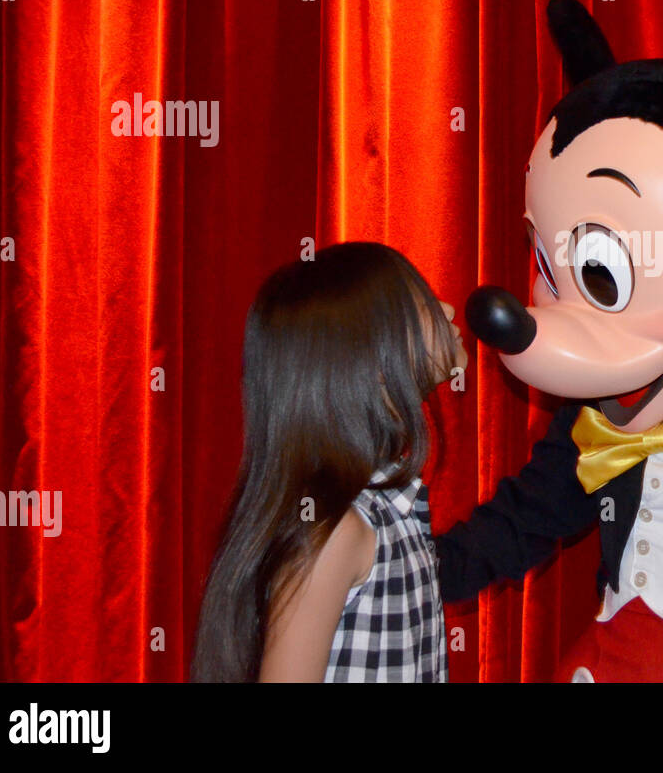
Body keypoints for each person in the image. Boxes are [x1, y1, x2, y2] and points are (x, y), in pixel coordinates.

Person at [190, 241, 465, 682]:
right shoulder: (341, 531)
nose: (448, 311)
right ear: (371, 361)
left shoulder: (392, 511)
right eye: (425, 304)